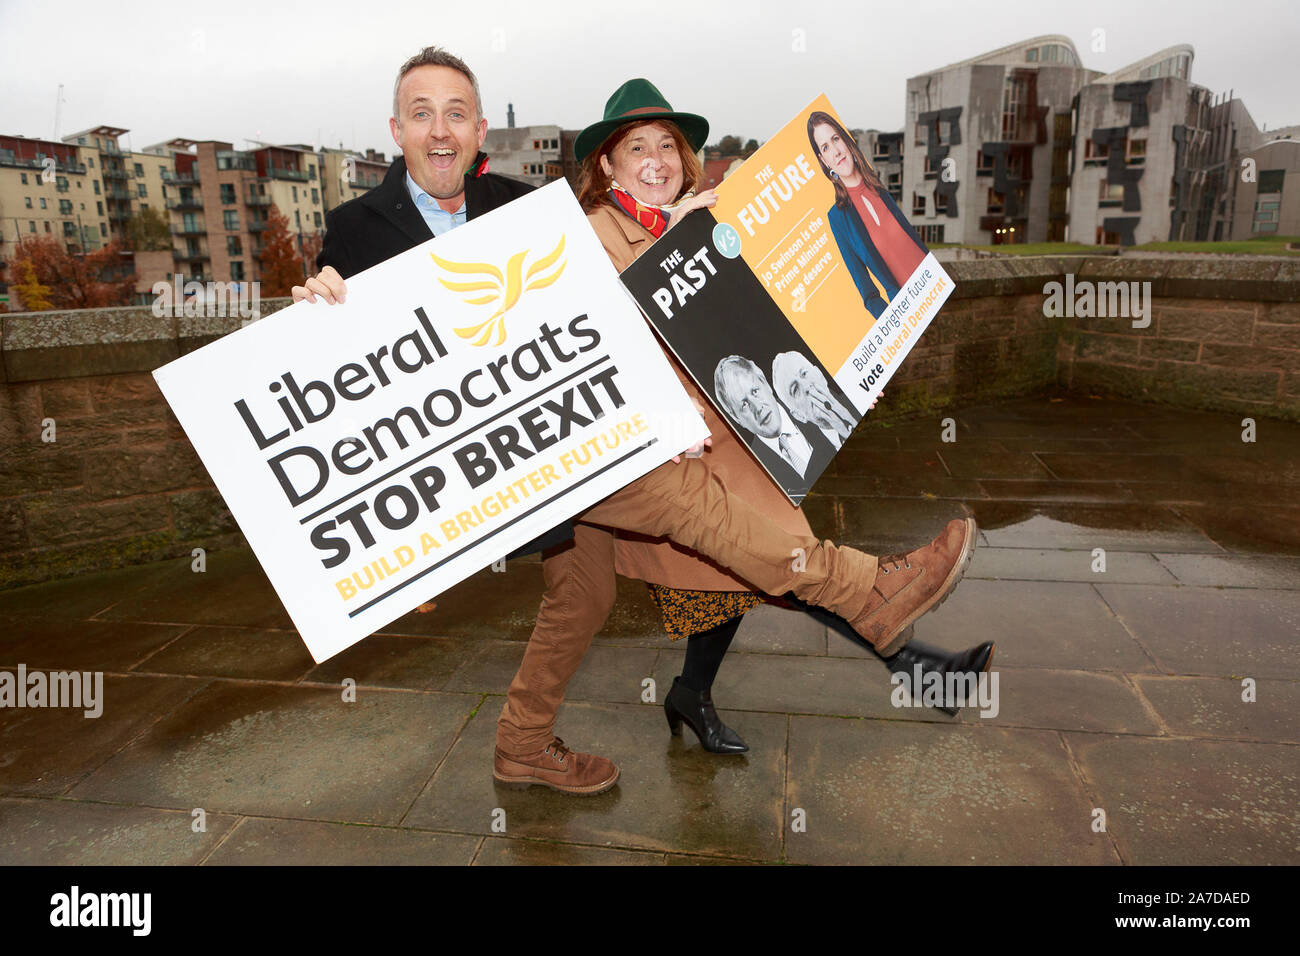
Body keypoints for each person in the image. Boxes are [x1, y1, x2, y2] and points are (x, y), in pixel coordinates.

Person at [298, 61, 984, 797]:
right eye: (422, 113)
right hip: (502, 459)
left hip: (577, 433)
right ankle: (864, 588)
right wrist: (316, 307)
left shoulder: (527, 209)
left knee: (585, 594)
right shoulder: (354, 230)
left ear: (479, 129)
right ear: (396, 129)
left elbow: (604, 325)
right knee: (680, 497)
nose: (441, 130)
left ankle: (523, 744)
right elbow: (336, 381)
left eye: (457, 113)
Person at [576, 78, 993, 757]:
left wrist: (850, 370)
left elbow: (760, 315)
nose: (655, 162)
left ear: (685, 160)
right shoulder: (593, 236)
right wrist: (675, 248)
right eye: (635, 148)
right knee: (779, 563)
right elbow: (592, 345)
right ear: (607, 166)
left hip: (730, 432)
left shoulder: (700, 215)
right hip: (662, 456)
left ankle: (695, 693)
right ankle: (917, 666)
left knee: (757, 570)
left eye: (667, 148)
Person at [807, 111, 928, 318]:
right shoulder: (838, 217)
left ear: (846, 140)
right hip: (910, 314)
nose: (836, 151)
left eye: (836, 138)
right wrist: (897, 324)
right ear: (823, 160)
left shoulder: (880, 187)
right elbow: (868, 293)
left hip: (935, 288)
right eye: (826, 147)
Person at [713, 354, 826, 480]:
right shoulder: (753, 472)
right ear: (736, 418)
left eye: (755, 391)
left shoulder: (814, 405)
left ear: (765, 383)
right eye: (744, 404)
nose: (758, 407)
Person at [771, 350, 857, 449]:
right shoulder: (818, 463)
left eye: (804, 373)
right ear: (798, 416)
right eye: (795, 390)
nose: (807, 386)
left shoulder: (864, 398)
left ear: (820, 374)